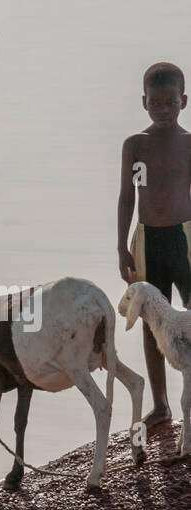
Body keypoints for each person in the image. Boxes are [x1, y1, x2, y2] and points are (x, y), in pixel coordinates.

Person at [118, 61, 191, 427]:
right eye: (156, 103)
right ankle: (161, 405)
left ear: (185, 101)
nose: (163, 110)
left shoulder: (189, 144)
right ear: (144, 101)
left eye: (171, 103)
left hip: (185, 239)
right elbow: (127, 198)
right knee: (151, 324)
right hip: (148, 240)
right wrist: (121, 248)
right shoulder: (136, 146)